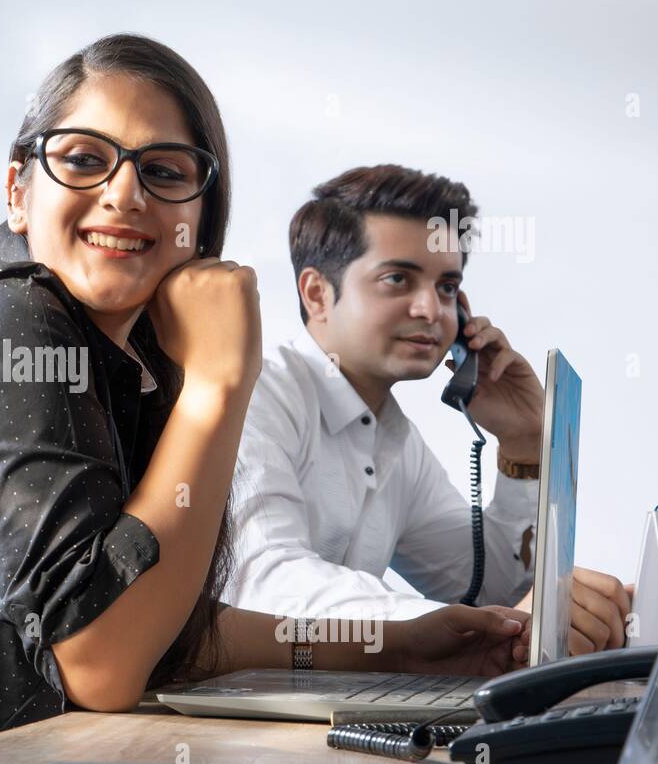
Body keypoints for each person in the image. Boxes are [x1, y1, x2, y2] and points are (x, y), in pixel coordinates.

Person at [0, 34, 528, 764]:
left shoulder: (123, 370)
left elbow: (172, 635)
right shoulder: (7, 323)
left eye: (164, 171)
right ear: (18, 191)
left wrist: (401, 647)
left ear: (200, 219)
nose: (123, 194)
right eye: (83, 159)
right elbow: (103, 660)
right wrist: (217, 387)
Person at [222, 164, 631, 659]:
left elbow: (488, 592)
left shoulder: (395, 439)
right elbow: (266, 587)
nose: (432, 311)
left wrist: (523, 443)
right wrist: (452, 625)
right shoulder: (257, 391)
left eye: (446, 287)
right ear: (317, 294)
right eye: (398, 279)